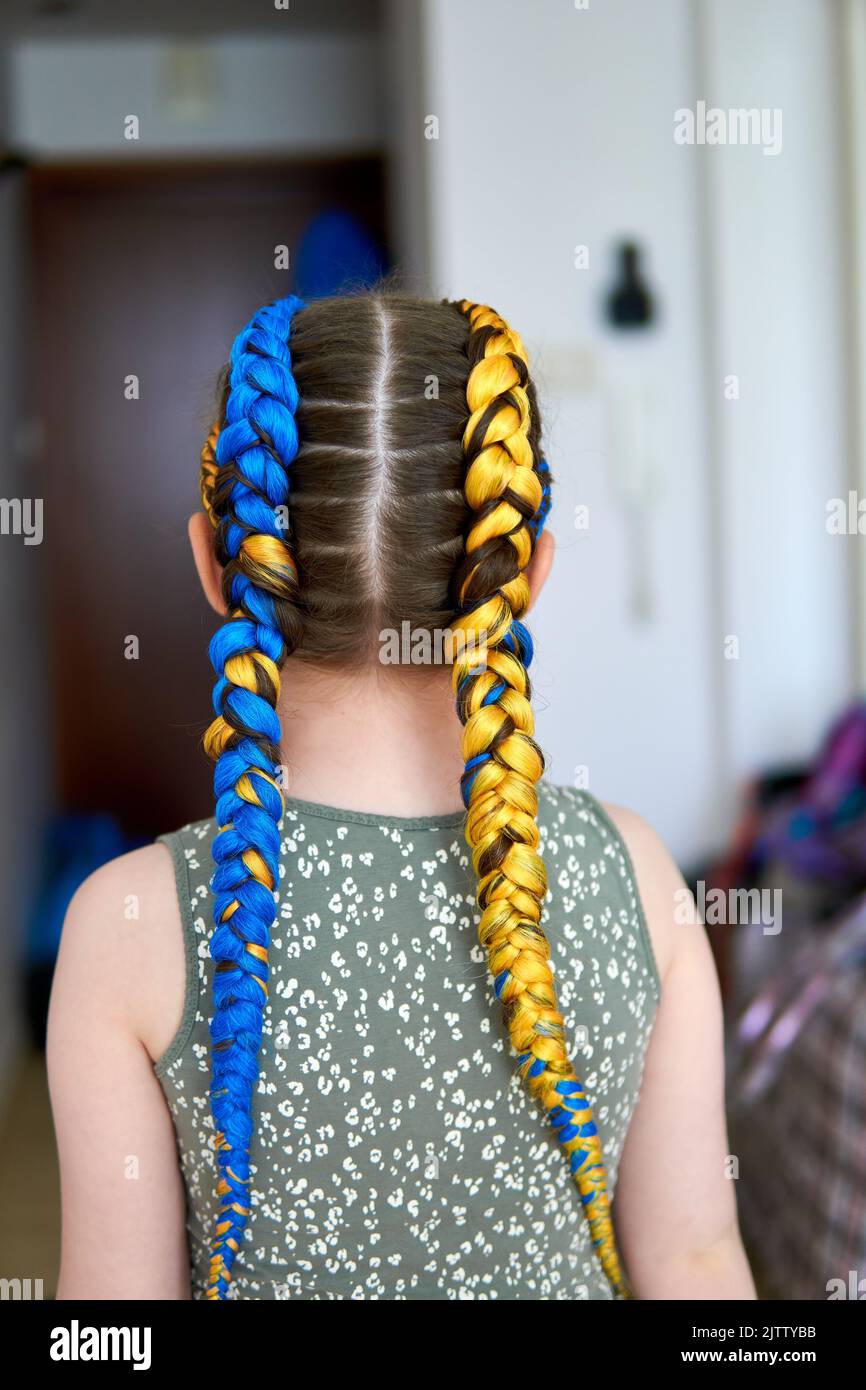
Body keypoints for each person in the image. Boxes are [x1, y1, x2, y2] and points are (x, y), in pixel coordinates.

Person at [47, 292, 755, 1300]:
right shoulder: (636, 874)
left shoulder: (122, 924)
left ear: (214, 563)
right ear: (527, 573)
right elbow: (694, 1262)